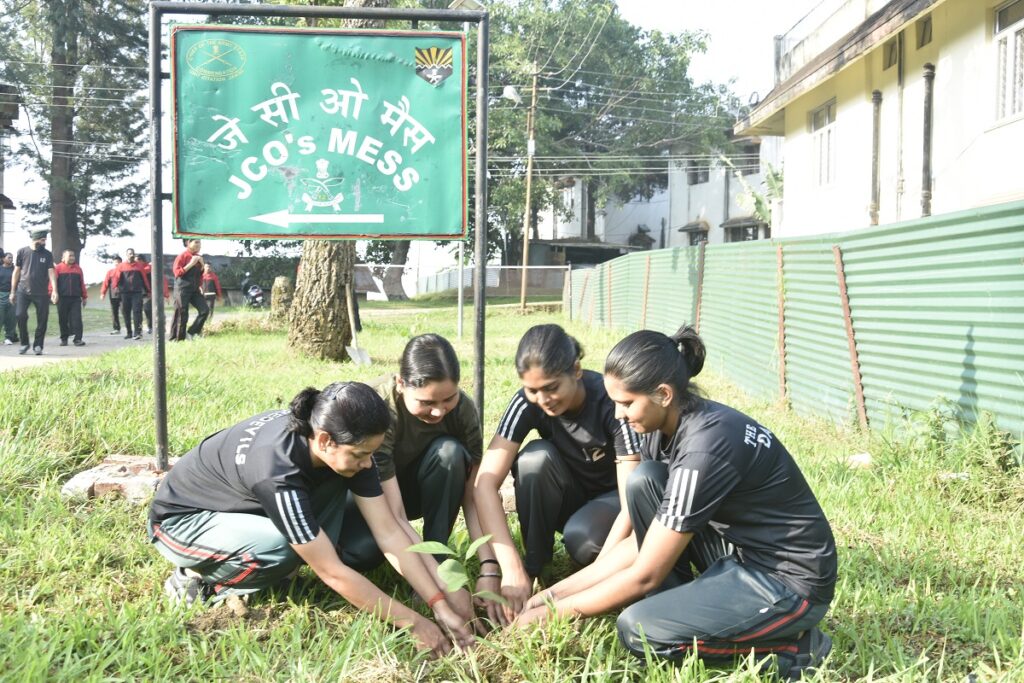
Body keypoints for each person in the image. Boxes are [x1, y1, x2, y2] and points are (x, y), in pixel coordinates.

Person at [515, 326, 837, 681]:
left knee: (639, 629)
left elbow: (645, 574)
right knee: (646, 479)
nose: (618, 414)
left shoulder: (705, 447)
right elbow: (641, 546)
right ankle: (681, 605)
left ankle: (795, 652)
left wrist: (554, 613)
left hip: (788, 581)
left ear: (664, 394)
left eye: (626, 403)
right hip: (740, 554)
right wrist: (554, 595)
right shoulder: (661, 430)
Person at [148, 382, 475, 656]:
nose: (367, 464)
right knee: (282, 548)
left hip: (247, 507)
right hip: (183, 521)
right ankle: (197, 577)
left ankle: (282, 564)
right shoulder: (277, 469)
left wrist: (438, 602)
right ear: (324, 441)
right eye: (361, 455)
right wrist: (413, 623)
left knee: (359, 538)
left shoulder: (345, 444)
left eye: (371, 454)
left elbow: (388, 530)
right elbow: (331, 572)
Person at [474, 323, 642, 625]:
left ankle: (590, 571)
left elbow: (632, 502)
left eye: (552, 387)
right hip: (570, 493)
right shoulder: (525, 402)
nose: (543, 399)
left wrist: (595, 580)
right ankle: (535, 568)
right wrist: (510, 568)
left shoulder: (610, 402)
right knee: (534, 459)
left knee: (582, 540)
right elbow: (484, 482)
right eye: (533, 390)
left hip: (614, 501)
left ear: (576, 370)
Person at [338, 334, 489, 572]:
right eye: (427, 402)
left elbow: (473, 495)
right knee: (363, 553)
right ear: (401, 383)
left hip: (416, 490)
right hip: (369, 495)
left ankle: (437, 555)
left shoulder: (463, 410)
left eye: (449, 398)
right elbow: (394, 511)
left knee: (449, 453)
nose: (439, 412)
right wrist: (428, 577)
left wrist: (489, 565)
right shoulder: (377, 406)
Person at [10, 229, 58, 355]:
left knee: (42, 319)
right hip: (23, 291)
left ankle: (38, 345)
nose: (44, 242)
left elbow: (51, 272)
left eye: (45, 240)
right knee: (20, 315)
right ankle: (24, 343)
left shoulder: (47, 254)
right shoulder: (22, 252)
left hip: (41, 292)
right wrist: (12, 291)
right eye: (42, 240)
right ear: (35, 239)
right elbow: (16, 272)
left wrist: (54, 290)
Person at [169, 238, 209, 340]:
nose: (199, 245)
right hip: (182, 288)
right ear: (188, 243)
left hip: (195, 289)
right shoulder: (182, 256)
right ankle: (177, 339)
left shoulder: (199, 257)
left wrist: (202, 265)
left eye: (200, 242)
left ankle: (192, 332)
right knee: (182, 314)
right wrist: (191, 263)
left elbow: (200, 275)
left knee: (204, 310)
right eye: (196, 242)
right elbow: (177, 273)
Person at [53, 249, 88, 347]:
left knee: (77, 319)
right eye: (70, 256)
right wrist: (52, 293)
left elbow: (82, 283)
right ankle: (64, 339)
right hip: (62, 298)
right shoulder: (58, 268)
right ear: (63, 258)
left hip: (75, 298)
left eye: (73, 256)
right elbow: (53, 282)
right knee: (63, 319)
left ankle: (78, 339)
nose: (72, 258)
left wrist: (84, 296)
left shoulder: (78, 269)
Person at [114, 248, 150, 340]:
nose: (131, 255)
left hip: (137, 293)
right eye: (130, 253)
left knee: (137, 312)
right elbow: (116, 278)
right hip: (125, 293)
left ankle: (137, 333)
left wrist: (148, 290)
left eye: (132, 253)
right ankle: (129, 332)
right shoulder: (121, 266)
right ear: (126, 255)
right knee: (126, 313)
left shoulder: (139, 266)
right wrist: (115, 287)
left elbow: (144, 279)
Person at [138, 255, 168, 335]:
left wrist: (166, 294)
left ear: (142, 261)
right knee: (147, 310)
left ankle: (161, 327)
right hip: (143, 294)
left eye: (138, 261)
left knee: (157, 310)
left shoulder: (150, 268)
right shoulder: (139, 269)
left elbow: (163, 280)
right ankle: (150, 327)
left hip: (155, 293)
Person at [100, 256, 123, 335]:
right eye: (115, 262)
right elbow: (105, 283)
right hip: (113, 295)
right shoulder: (110, 272)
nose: (117, 263)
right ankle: (116, 328)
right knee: (114, 312)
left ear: (121, 262)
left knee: (125, 311)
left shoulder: (124, 271)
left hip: (123, 295)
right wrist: (103, 293)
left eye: (118, 262)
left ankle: (129, 328)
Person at [0, 251, 17, 345]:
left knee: (11, 317)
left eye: (12, 257)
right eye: (9, 257)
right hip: (1, 295)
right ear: (3, 259)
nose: (11, 259)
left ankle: (9, 337)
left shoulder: (15, 269)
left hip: (12, 295)